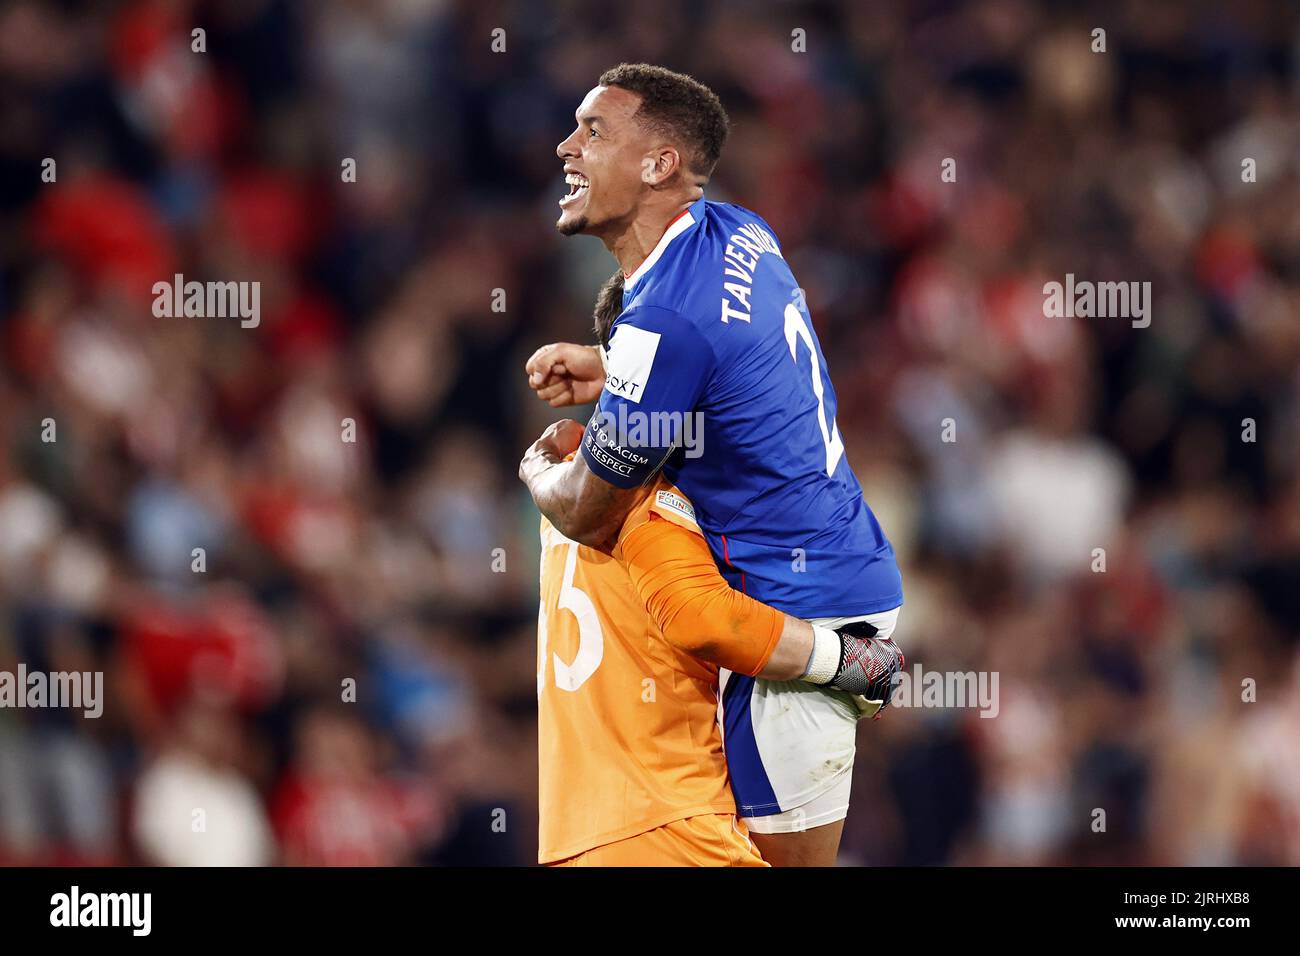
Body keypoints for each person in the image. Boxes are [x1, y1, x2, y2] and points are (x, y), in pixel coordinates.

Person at [522, 69, 903, 862]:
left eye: (593, 131)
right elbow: (730, 359)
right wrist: (611, 365)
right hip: (840, 565)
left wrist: (537, 473)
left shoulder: (665, 326)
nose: (566, 147)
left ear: (659, 163)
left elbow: (588, 510)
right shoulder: (741, 232)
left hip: (791, 626)